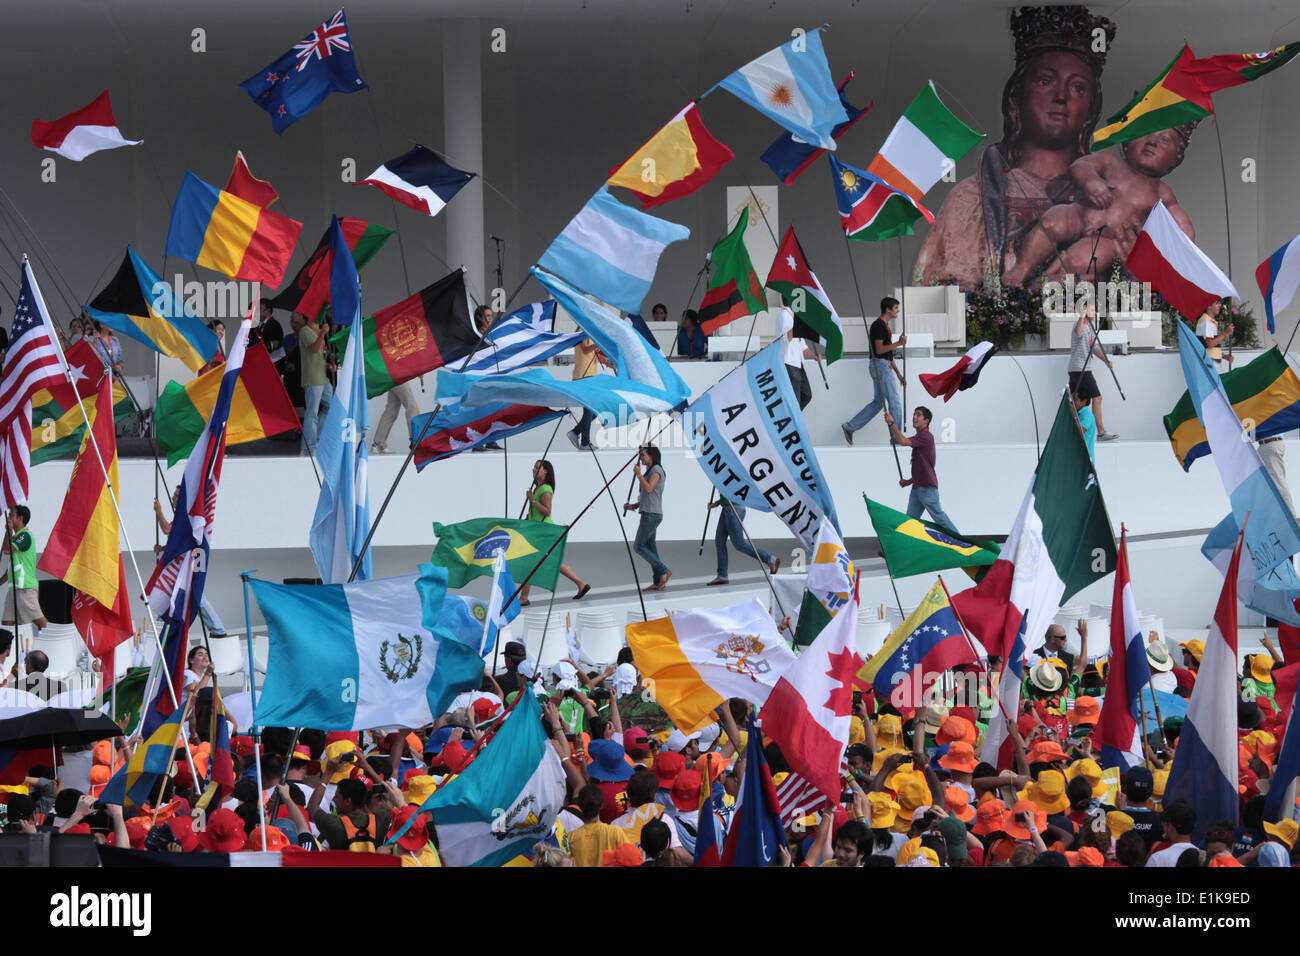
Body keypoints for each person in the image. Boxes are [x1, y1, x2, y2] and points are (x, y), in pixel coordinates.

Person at [914, 5, 1118, 288]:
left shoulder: (1112, 198)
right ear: (1016, 97)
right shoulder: (971, 198)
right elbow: (942, 292)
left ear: (1091, 108)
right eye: (1046, 82)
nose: (1061, 97)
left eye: (1077, 88)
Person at [1002, 125, 1196, 286]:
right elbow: (1081, 166)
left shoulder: (1161, 192)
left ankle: (1045, 285)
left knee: (1082, 259)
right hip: (1078, 214)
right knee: (1053, 221)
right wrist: (1090, 181)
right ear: (1127, 142)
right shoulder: (1110, 161)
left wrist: (1183, 244)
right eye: (1144, 132)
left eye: (1164, 140)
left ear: (1175, 159)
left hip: (1110, 239)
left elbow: (1182, 225)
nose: (1151, 142)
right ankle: (1023, 266)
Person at [154, 491, 227, 637]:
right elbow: (178, 542)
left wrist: (159, 512)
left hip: (195, 560)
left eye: (176, 495)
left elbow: (167, 530)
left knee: (196, 595)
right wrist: (163, 548)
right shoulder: (182, 517)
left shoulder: (187, 516)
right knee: (173, 592)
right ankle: (161, 626)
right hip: (190, 560)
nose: (173, 498)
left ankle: (218, 629)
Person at [519, 459, 591, 605]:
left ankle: (524, 597)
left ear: (545, 471)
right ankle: (581, 584)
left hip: (543, 531)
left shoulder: (545, 489)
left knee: (530, 563)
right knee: (553, 562)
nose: (533, 469)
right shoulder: (538, 488)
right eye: (533, 467)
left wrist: (532, 500)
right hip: (537, 530)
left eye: (537, 467)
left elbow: (547, 511)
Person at [842, 298, 905, 444]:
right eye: (896, 308)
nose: (898, 310)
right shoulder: (879, 325)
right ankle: (897, 438)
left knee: (878, 403)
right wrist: (899, 343)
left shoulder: (884, 326)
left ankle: (850, 427)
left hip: (881, 365)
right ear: (888, 309)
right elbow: (879, 350)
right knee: (894, 403)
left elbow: (887, 355)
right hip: (881, 366)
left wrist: (898, 374)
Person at [885, 407, 955, 532]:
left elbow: (902, 441)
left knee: (939, 517)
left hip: (926, 488)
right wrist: (909, 481)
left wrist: (891, 423)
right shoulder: (920, 437)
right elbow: (923, 467)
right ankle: (902, 549)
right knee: (909, 522)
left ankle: (964, 544)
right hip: (918, 488)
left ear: (926, 420)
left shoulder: (926, 436)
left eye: (918, 415)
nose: (914, 417)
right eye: (914, 414)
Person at [623, 444, 670, 591]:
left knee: (639, 546)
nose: (640, 458)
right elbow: (647, 495)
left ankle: (664, 571)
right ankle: (658, 581)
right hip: (649, 512)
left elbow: (649, 489)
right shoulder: (650, 471)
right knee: (651, 547)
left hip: (652, 515)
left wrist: (638, 474)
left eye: (642, 455)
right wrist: (634, 506)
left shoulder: (656, 470)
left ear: (651, 455)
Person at [1068, 303, 1117, 441]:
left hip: (1082, 369)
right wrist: (1082, 315)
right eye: (1093, 310)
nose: (1095, 312)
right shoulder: (1079, 325)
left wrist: (1106, 361)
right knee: (1097, 397)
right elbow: (1077, 333)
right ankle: (1101, 432)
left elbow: (1094, 347)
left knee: (1075, 401)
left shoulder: (1089, 327)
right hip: (1079, 368)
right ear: (1084, 311)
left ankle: (1073, 429)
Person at [707, 496, 779, 586]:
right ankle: (722, 576)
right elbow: (725, 494)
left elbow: (730, 492)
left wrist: (718, 503)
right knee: (719, 541)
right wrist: (716, 504)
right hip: (727, 508)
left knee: (739, 544)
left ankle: (770, 559)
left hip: (734, 509)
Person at [2, 506, 47, 632]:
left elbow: (6, 550)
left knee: (39, 620)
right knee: (7, 623)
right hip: (14, 588)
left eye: (12, 515)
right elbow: (12, 565)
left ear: (20, 518)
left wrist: (9, 530)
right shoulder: (17, 538)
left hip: (24, 587)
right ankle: (9, 650)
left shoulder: (25, 535)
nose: (9, 518)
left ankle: (53, 637)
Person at [566, 339, 613, 450]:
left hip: (588, 376)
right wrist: (598, 341)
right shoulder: (583, 330)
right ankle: (584, 442)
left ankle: (575, 432)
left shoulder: (588, 333)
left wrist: (608, 363)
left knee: (594, 411)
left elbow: (593, 354)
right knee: (590, 410)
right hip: (584, 376)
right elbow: (586, 349)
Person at [296, 312, 332, 455]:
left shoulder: (317, 330)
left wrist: (328, 364)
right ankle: (308, 447)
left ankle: (315, 439)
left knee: (330, 406)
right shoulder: (305, 331)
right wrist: (323, 333)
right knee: (312, 412)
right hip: (312, 378)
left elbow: (320, 353)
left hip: (323, 377)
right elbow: (314, 348)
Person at [775, 305, 815, 411]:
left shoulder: (794, 316)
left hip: (798, 363)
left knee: (806, 395)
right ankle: (793, 421)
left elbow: (802, 346)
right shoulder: (784, 315)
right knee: (795, 399)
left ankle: (792, 418)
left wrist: (814, 356)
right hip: (789, 362)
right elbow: (785, 339)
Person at [372, 381, 417, 454]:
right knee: (412, 408)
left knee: (391, 410)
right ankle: (416, 443)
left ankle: (378, 444)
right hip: (400, 375)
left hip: (393, 376)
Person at [1195, 298, 1235, 372]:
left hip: (1212, 361)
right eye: (1217, 303)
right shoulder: (1207, 321)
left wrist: (1224, 356)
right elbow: (1210, 344)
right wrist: (1225, 333)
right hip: (1210, 362)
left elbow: (1210, 347)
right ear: (1209, 306)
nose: (1220, 305)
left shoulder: (1209, 321)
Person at [1072, 389, 1096, 459]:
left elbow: (1080, 431)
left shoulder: (1087, 415)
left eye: (1075, 400)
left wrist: (1074, 415)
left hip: (1086, 461)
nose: (1072, 403)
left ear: (1084, 401)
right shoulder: (1078, 414)